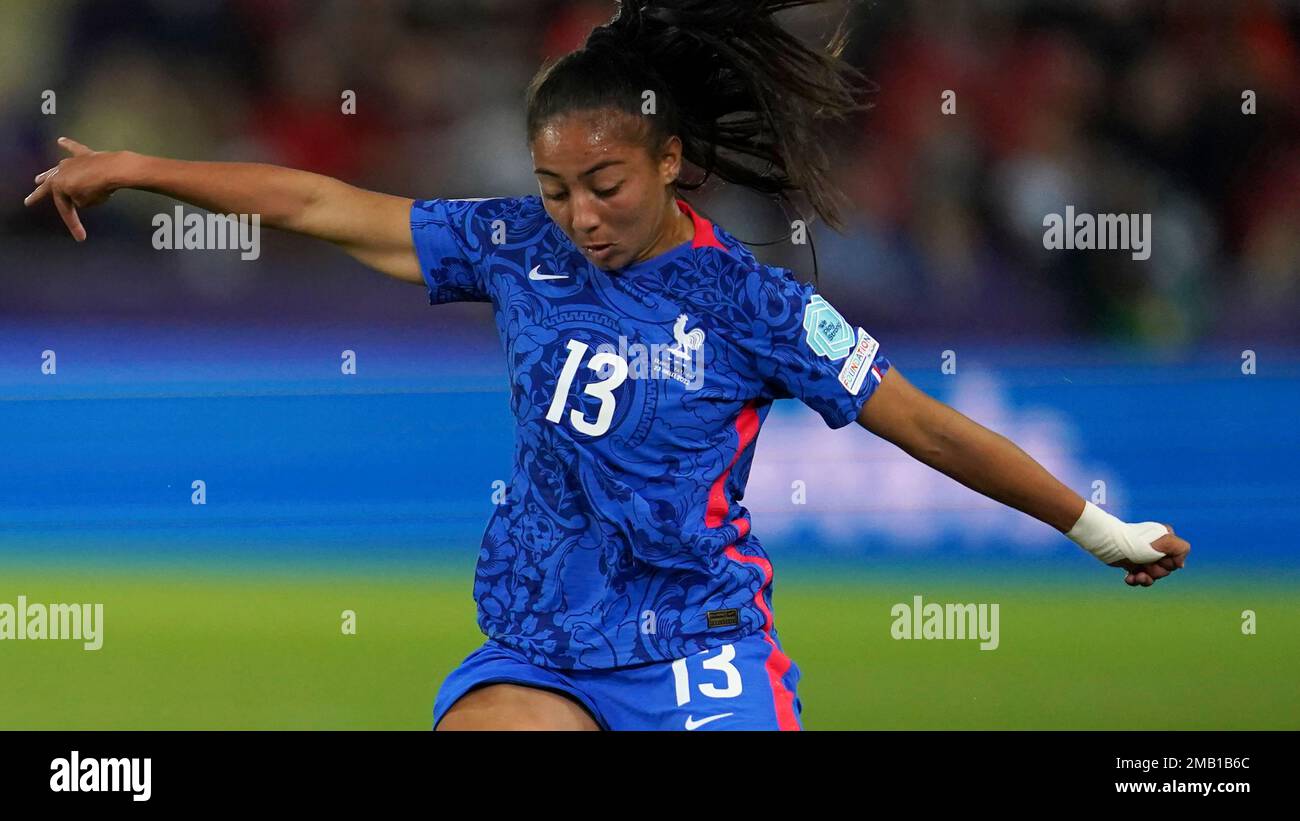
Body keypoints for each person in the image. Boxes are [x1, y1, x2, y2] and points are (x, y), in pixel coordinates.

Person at [24, 0, 1190, 731]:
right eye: (553, 188)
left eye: (604, 185)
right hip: (541, 646)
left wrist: (1094, 526)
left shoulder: (754, 304)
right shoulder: (513, 248)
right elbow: (327, 203)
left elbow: (924, 425)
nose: (576, 214)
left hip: (697, 648)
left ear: (670, 161)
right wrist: (141, 163)